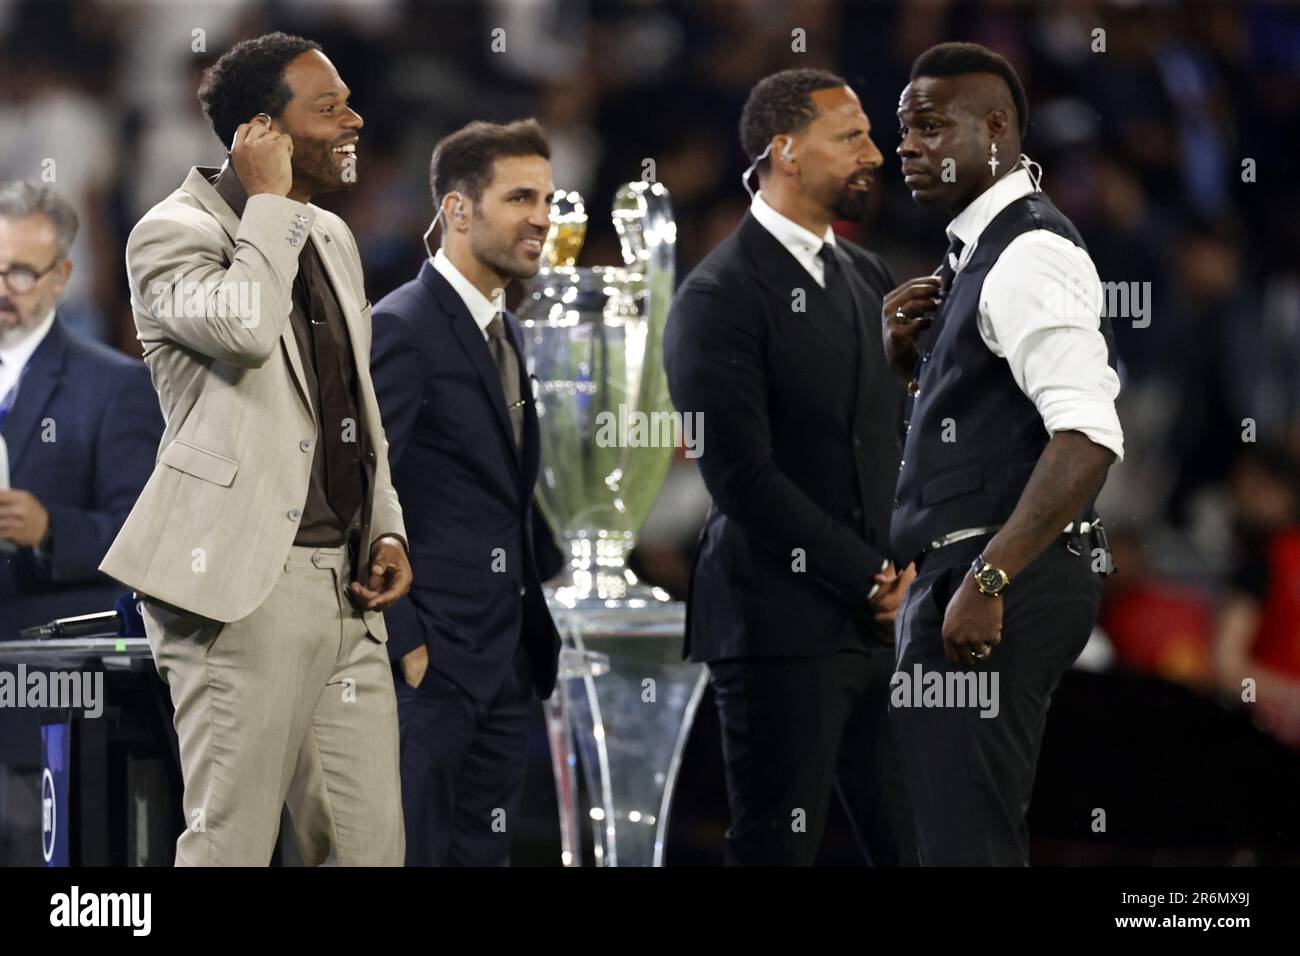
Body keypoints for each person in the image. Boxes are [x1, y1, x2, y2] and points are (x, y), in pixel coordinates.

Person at [100, 33, 411, 866]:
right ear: (260, 132)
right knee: (231, 845)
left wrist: (385, 525)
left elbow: (356, 405)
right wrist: (269, 204)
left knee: (365, 850)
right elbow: (240, 327)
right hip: (241, 586)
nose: (354, 119)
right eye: (329, 107)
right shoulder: (167, 234)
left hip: (349, 591)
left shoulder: (332, 238)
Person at [663, 69, 916, 866]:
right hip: (777, 625)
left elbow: (887, 445)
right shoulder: (717, 296)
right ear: (786, 152)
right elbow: (740, 478)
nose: (876, 153)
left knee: (917, 844)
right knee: (777, 852)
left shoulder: (868, 276)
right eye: (852, 137)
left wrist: (904, 572)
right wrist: (871, 576)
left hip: (880, 623)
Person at [886, 42, 1124, 865]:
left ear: (996, 130)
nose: (907, 145)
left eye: (928, 126)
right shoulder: (978, 256)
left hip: (996, 578)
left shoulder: (1029, 253)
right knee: (957, 835)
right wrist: (911, 369)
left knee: (966, 844)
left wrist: (990, 577)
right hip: (975, 574)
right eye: (903, 128)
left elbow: (1087, 436)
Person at [370, 119, 561, 866]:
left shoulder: (505, 330)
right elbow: (360, 493)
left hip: (504, 664)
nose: (541, 217)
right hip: (433, 672)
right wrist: (408, 646)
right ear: (456, 210)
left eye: (547, 198)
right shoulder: (403, 327)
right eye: (520, 197)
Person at [0, 181, 161, 639]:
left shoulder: (116, 388)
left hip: (37, 672)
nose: (3, 290)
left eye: (21, 274)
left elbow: (143, 538)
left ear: (61, 276)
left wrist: (51, 530)